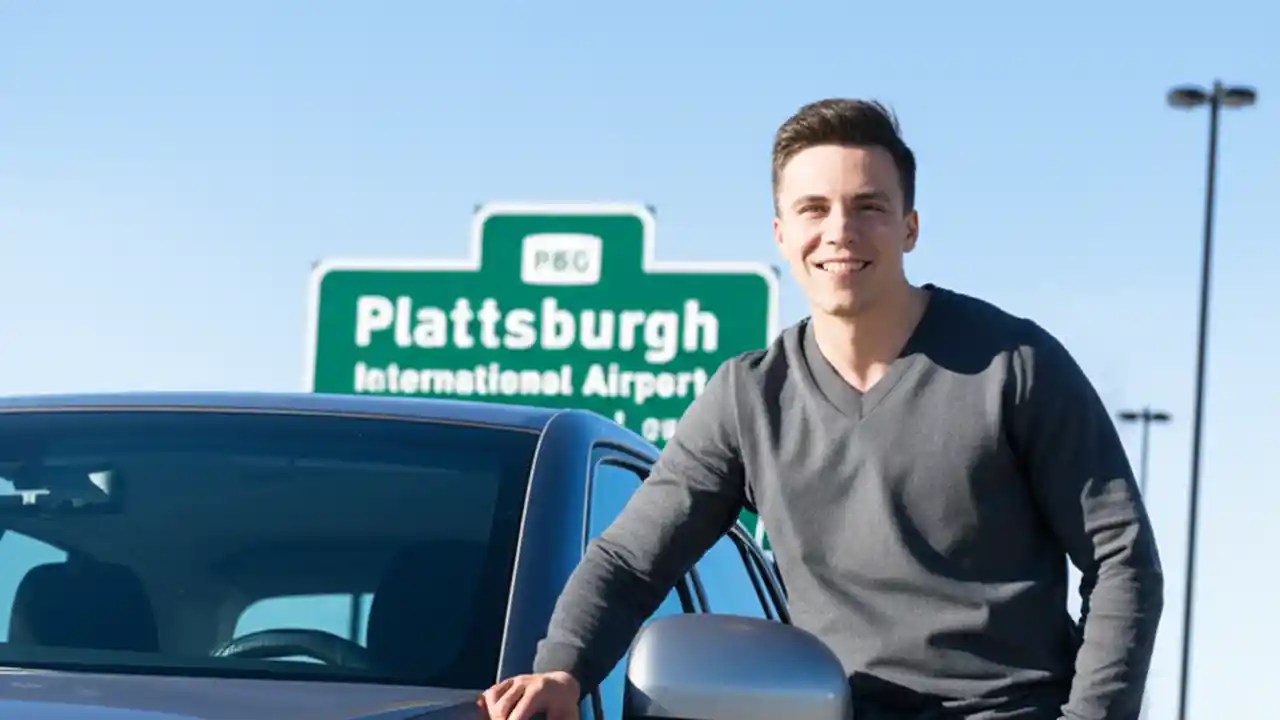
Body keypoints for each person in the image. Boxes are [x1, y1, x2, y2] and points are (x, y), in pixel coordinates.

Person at [479, 98, 1164, 720]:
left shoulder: (1016, 365)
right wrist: (561, 672)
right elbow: (632, 562)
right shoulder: (747, 399)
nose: (840, 231)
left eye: (868, 206)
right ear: (781, 233)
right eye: (814, 209)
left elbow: (1121, 558)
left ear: (910, 227)